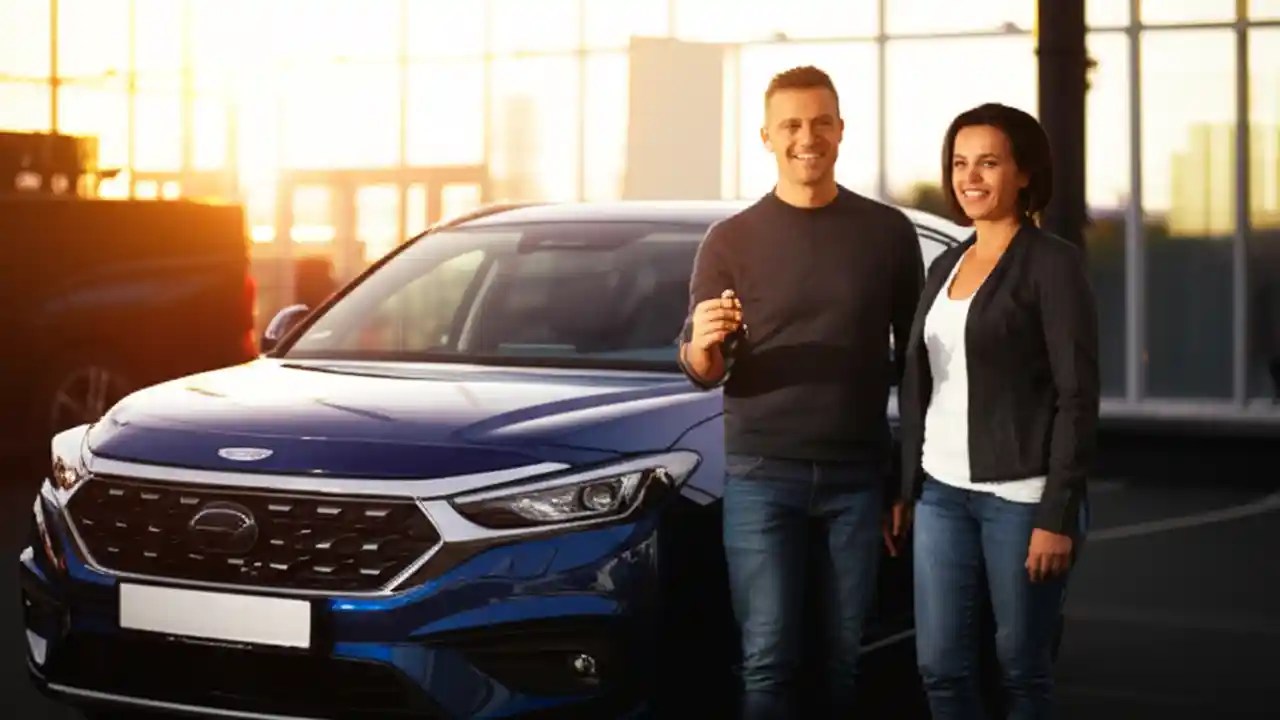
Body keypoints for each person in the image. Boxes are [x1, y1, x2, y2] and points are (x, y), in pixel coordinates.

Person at [678, 65, 924, 719]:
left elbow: (918, 366)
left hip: (858, 479)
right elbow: (703, 366)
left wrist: (904, 482)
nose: (806, 137)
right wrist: (702, 342)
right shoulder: (730, 240)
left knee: (842, 662)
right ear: (767, 136)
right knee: (769, 662)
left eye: (820, 122)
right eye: (790, 125)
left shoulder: (887, 234)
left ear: (841, 131)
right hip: (763, 474)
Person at [898, 102, 1100, 719]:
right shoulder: (945, 264)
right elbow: (922, 384)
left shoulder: (1053, 264)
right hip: (941, 497)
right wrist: (909, 488)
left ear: (1024, 173)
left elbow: (1077, 397)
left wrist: (1056, 515)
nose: (971, 178)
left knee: (1020, 673)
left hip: (1021, 500)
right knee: (941, 670)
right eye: (960, 163)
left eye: (989, 162)